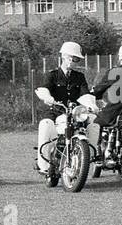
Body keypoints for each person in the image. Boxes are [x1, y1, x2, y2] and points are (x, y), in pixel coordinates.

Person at [35, 40, 95, 174]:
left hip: (74, 113)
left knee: (94, 121)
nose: (75, 62)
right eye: (74, 58)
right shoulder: (53, 75)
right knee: (45, 124)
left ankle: (89, 156)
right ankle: (43, 165)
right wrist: (48, 98)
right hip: (56, 111)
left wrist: (91, 105)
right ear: (64, 57)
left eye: (77, 60)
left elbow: (85, 93)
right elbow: (43, 89)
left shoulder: (79, 77)